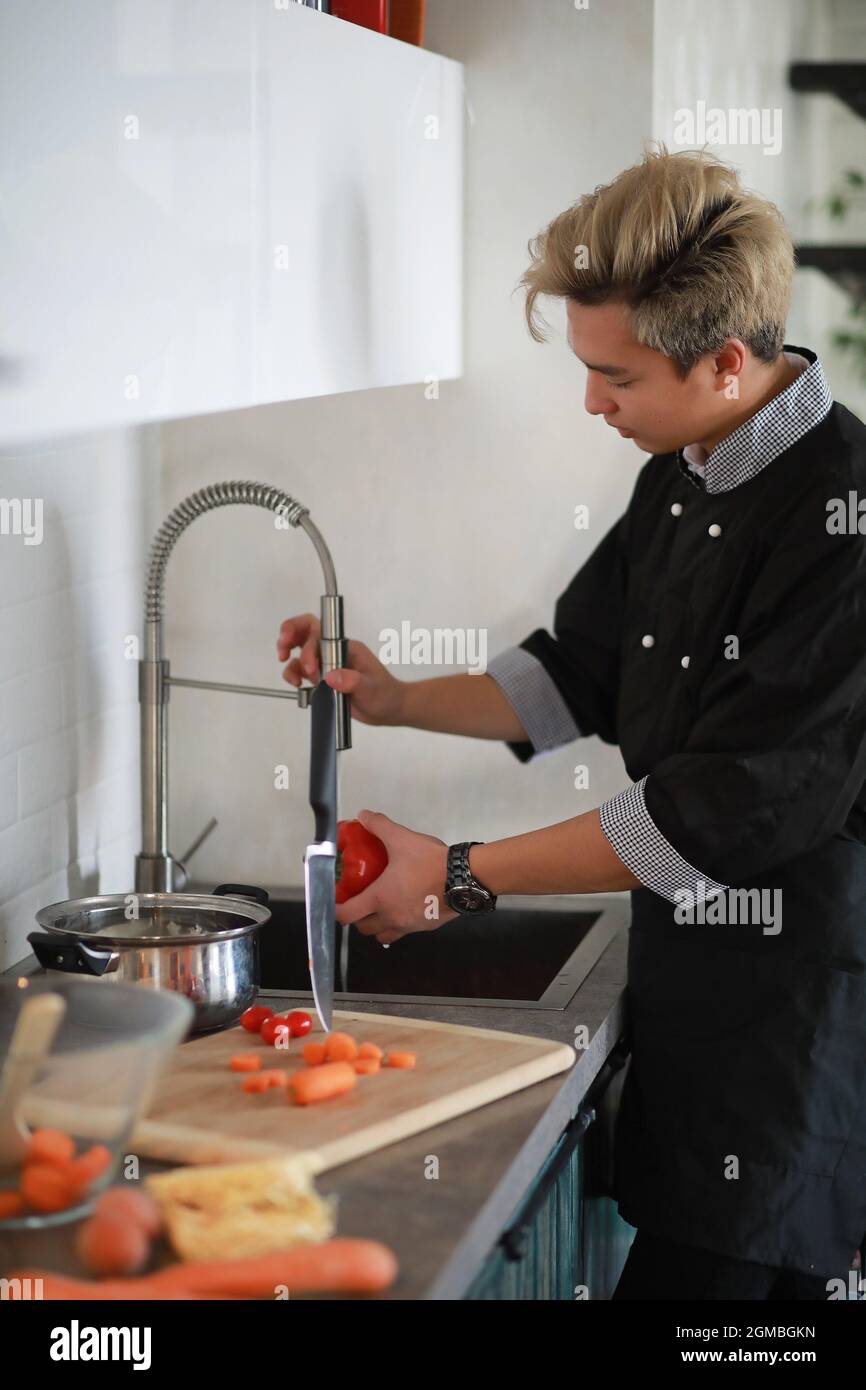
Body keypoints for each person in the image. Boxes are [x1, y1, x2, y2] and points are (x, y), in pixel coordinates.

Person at [277, 141, 866, 1300]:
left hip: (799, 1027)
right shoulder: (685, 463)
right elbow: (574, 671)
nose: (591, 401)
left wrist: (455, 871)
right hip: (698, 1001)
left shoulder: (838, 521)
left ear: (726, 362)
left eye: (618, 377)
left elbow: (714, 816)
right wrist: (388, 693)